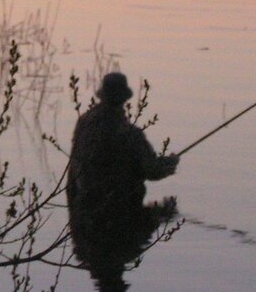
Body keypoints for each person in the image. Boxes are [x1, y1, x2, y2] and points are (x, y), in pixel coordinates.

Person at [67, 72, 179, 291]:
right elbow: (152, 171)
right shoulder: (128, 134)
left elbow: (73, 171)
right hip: (119, 213)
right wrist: (170, 163)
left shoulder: (84, 123)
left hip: (84, 214)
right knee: (165, 214)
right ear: (125, 99)